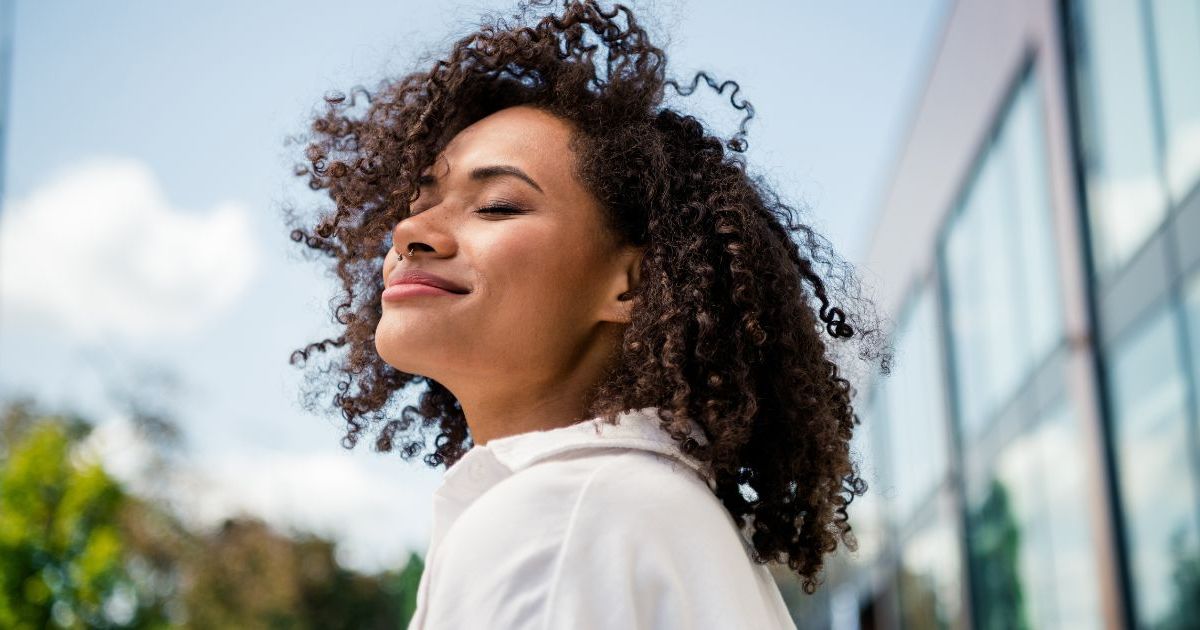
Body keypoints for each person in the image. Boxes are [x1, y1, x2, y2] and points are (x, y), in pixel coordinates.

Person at [284, 0, 892, 627]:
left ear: (631, 285)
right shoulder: (647, 513)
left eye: (496, 205)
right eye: (418, 202)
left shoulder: (556, 522)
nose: (411, 230)